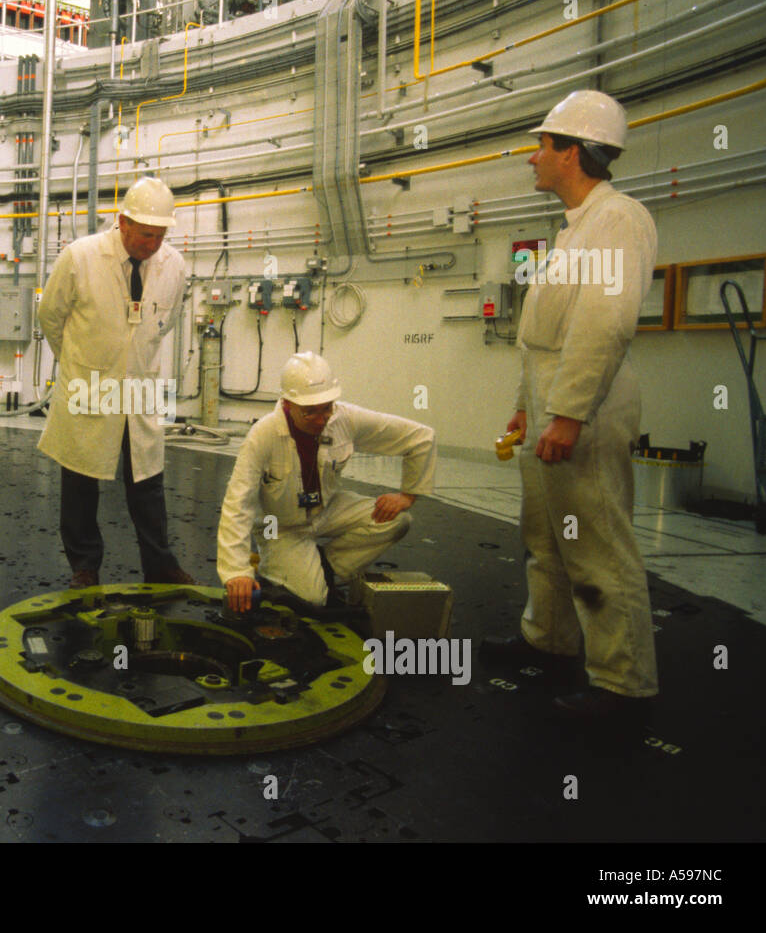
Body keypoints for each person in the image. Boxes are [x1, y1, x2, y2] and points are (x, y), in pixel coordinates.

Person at [483, 89, 659, 719]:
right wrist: (527, 406)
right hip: (553, 397)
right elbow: (542, 338)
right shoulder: (575, 230)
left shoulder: (619, 219)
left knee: (597, 543)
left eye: (543, 145)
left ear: (574, 152)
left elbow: (604, 324)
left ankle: (622, 681)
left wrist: (569, 413)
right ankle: (550, 640)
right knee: (547, 538)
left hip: (587, 404)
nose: (533, 158)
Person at [38, 177, 196, 589]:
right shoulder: (80, 257)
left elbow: (167, 320)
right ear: (123, 222)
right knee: (80, 478)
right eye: (146, 234)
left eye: (160, 235)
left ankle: (159, 564)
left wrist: (133, 360)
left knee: (147, 480)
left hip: (141, 385)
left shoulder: (174, 265)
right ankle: (85, 567)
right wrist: (80, 362)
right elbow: (50, 318)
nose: (153, 244)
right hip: (89, 382)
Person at [218, 352, 435, 614]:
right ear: (288, 404)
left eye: (327, 408)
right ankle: (289, 567)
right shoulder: (263, 435)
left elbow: (421, 437)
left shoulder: (344, 418)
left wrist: (408, 495)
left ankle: (324, 565)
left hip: (327, 509)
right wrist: (237, 572)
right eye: (310, 412)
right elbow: (237, 501)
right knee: (313, 598)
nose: (322, 419)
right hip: (279, 526)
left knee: (398, 520)